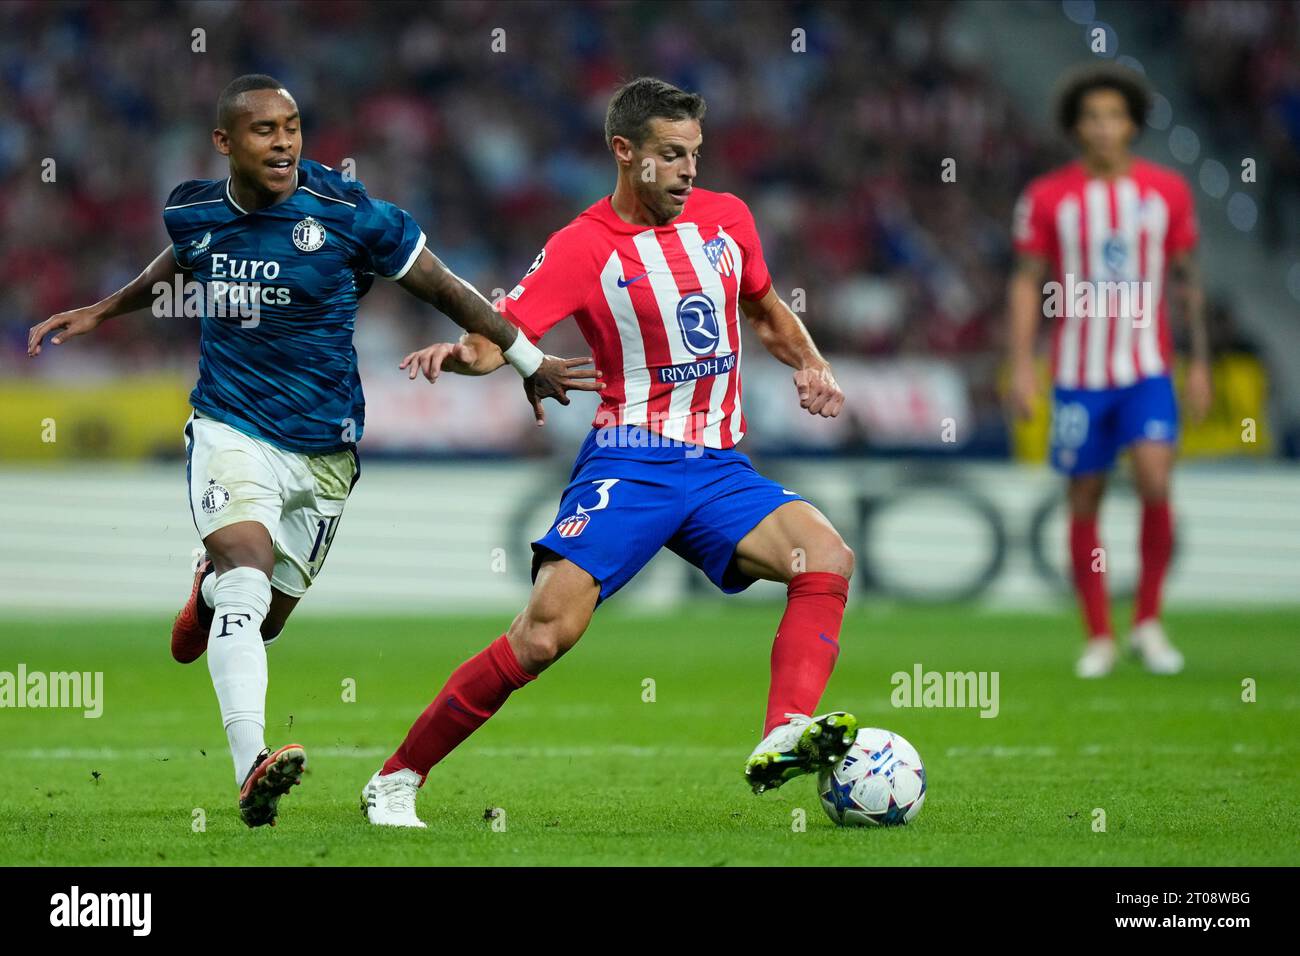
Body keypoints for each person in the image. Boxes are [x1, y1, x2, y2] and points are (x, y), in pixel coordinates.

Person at [26, 74, 599, 827]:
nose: (285, 142)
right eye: (264, 130)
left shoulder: (345, 212)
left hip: (325, 446)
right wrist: (105, 309)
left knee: (261, 617)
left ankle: (207, 593)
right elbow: (184, 258)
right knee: (247, 572)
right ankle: (250, 766)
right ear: (224, 143)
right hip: (230, 426)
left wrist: (527, 359)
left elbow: (443, 287)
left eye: (293, 127)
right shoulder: (192, 210)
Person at [362, 77, 858, 828]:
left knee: (825, 557)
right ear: (625, 153)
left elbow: (764, 306)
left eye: (695, 153)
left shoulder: (727, 220)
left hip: (720, 467)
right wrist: (458, 357)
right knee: (542, 637)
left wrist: (812, 364)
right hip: (631, 463)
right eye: (671, 155)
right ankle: (396, 778)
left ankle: (783, 732)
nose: (690, 170)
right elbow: (502, 333)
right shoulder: (582, 245)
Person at [1007, 64, 1212, 678]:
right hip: (1076, 375)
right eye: (1092, 117)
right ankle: (1099, 635)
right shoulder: (1048, 196)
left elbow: (1188, 280)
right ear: (1076, 126)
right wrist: (1021, 364)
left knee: (1154, 477)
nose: (1103, 127)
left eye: (1114, 116)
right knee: (1084, 496)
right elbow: (1025, 282)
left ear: (1132, 124)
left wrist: (1200, 362)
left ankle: (1147, 622)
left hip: (1147, 367)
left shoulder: (1166, 192)